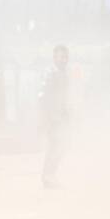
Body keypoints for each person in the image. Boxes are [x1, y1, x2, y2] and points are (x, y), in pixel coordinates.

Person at [37, 45, 71, 188]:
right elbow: (43, 96)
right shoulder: (50, 73)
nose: (63, 60)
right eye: (60, 57)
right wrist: (47, 116)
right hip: (51, 116)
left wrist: (66, 111)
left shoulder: (64, 74)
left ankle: (50, 174)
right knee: (55, 145)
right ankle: (48, 175)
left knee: (62, 145)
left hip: (60, 116)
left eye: (65, 57)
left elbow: (63, 96)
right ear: (54, 58)